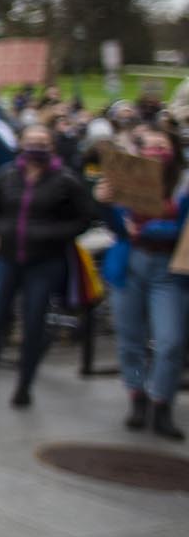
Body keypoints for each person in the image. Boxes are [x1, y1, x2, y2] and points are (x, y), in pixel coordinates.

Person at [0, 124, 93, 408]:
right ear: (21, 143)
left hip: (44, 262)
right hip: (6, 258)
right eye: (31, 140)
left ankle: (24, 385)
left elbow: (84, 219)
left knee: (34, 323)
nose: (36, 146)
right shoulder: (6, 176)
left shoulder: (65, 181)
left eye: (42, 141)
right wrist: (0, 227)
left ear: (51, 145)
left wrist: (52, 234)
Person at [97, 129, 188, 439]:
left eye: (161, 146)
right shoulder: (127, 178)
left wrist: (149, 230)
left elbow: (181, 229)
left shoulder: (183, 186)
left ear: (173, 151)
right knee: (130, 339)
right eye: (149, 146)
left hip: (169, 269)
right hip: (130, 265)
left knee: (171, 341)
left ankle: (162, 400)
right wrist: (105, 203)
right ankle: (137, 395)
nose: (155, 151)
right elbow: (115, 228)